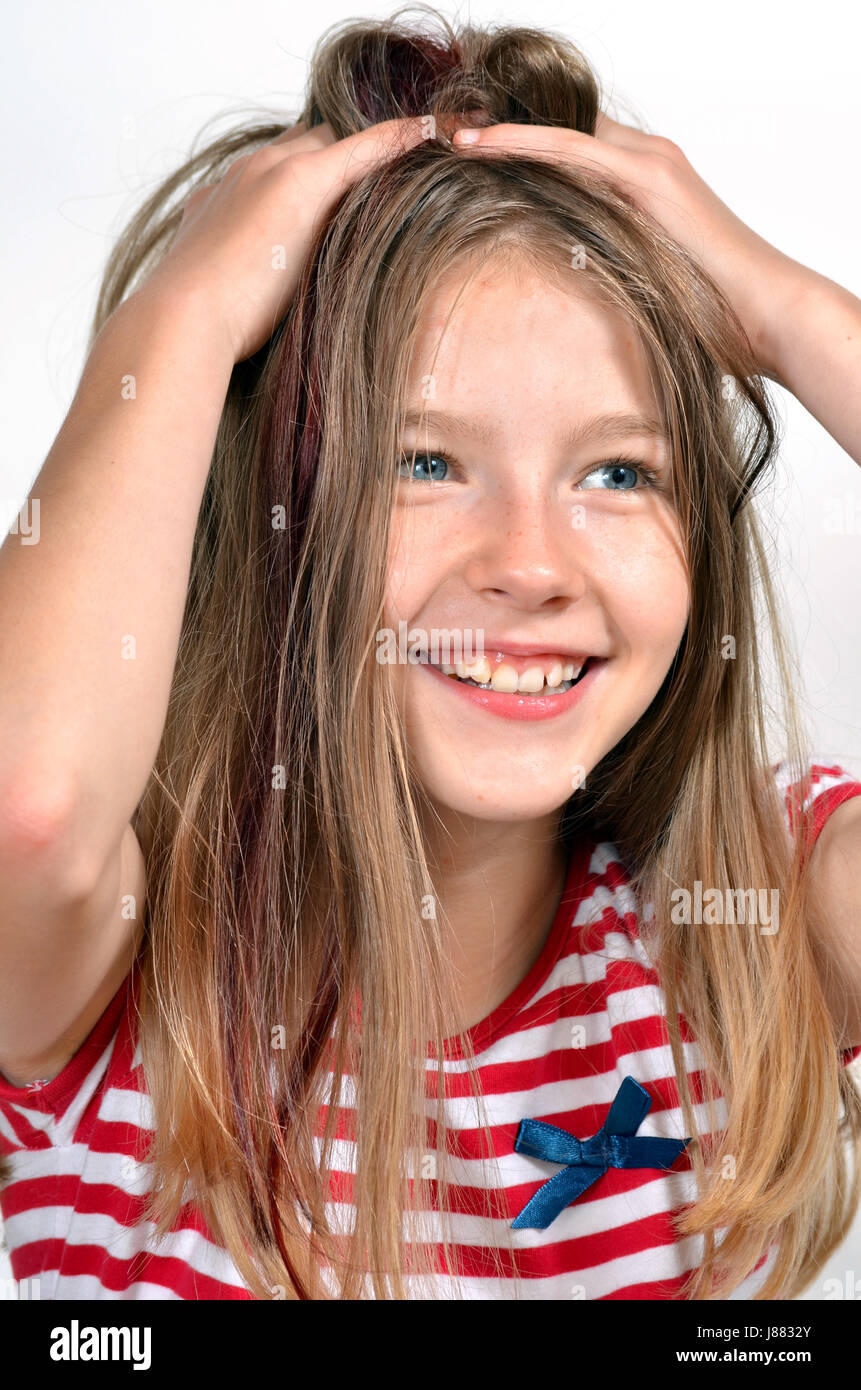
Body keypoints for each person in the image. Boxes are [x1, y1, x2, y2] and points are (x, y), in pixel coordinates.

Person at [1, 5, 860, 1301]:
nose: (530, 561)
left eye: (618, 470)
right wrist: (174, 323)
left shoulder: (758, 928)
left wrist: (800, 319)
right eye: (422, 460)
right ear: (261, 505)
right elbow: (30, 803)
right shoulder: (101, 974)